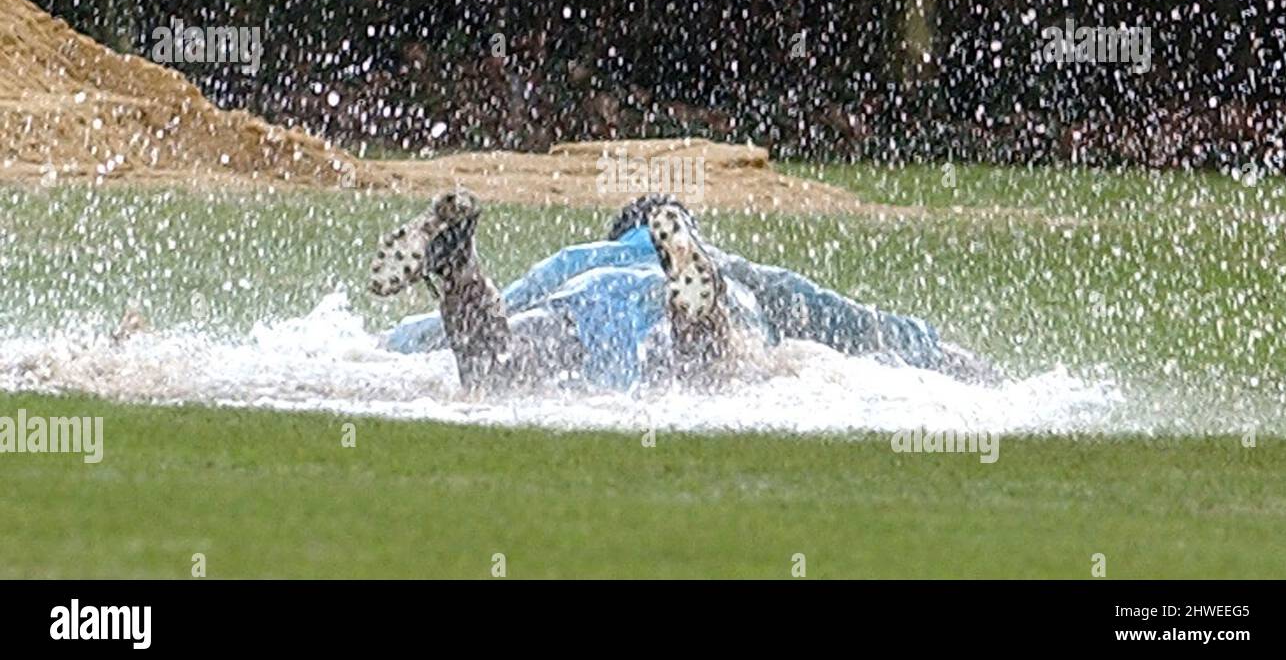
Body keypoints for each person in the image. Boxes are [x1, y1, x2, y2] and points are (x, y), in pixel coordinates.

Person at [369, 191, 996, 389]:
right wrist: (951, 357)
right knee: (712, 372)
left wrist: (393, 339)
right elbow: (857, 323)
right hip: (706, 300)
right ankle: (695, 310)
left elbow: (423, 340)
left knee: (496, 363)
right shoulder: (745, 271)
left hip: (583, 308)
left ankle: (456, 271)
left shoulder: (583, 260)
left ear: (617, 232)